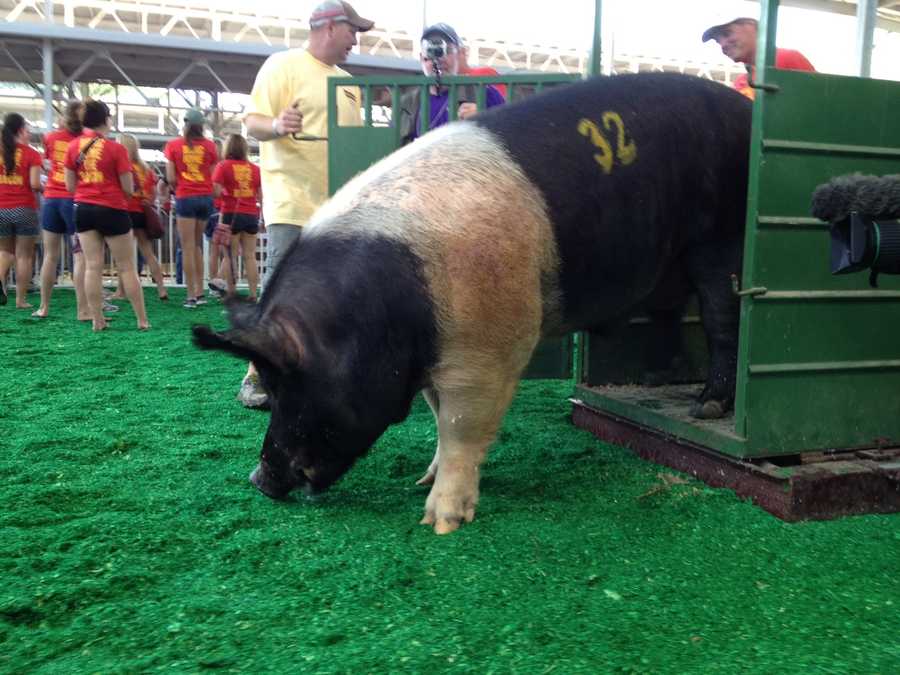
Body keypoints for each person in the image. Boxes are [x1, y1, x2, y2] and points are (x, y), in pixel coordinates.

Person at [235, 0, 373, 408]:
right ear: (329, 27)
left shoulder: (348, 83)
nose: (356, 41)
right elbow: (254, 122)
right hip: (291, 201)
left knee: (336, 294)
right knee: (284, 290)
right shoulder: (282, 65)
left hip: (338, 208)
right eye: (353, 31)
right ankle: (255, 377)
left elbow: (353, 146)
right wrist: (277, 126)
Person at [64, 99, 149, 332]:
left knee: (92, 266)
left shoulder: (73, 147)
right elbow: (129, 188)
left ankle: (97, 319)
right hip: (113, 209)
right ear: (106, 120)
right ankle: (141, 320)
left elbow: (69, 186)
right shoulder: (117, 149)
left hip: (83, 209)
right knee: (127, 267)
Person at [401, 23, 505, 144]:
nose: (439, 57)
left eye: (447, 50)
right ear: (421, 57)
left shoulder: (485, 93)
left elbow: (510, 136)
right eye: (430, 50)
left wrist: (485, 121)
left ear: (459, 54)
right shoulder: (408, 102)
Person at [33, 101, 89, 318]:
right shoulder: (86, 141)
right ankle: (83, 309)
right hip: (73, 200)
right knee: (80, 257)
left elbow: (48, 162)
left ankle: (44, 307)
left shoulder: (50, 138)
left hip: (51, 199)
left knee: (50, 256)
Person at [164, 108, 218, 308]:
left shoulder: (173, 146)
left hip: (185, 197)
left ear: (185, 123)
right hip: (205, 198)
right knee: (196, 244)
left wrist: (177, 185)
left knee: (186, 246)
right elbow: (213, 177)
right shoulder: (210, 147)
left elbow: (169, 177)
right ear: (201, 126)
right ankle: (200, 292)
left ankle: (191, 295)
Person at [702, 17, 815, 99]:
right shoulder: (740, 82)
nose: (723, 45)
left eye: (727, 34)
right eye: (718, 42)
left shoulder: (784, 57)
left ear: (751, 26)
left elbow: (819, 103)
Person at [118, 133, 168, 301]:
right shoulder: (146, 169)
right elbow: (153, 194)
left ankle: (121, 291)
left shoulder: (122, 167)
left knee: (123, 255)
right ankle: (161, 287)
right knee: (148, 252)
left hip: (125, 211)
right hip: (141, 212)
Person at [211, 133, 262, 300]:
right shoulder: (255, 169)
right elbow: (260, 196)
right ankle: (254, 294)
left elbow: (216, 192)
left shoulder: (223, 166)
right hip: (251, 214)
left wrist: (226, 192)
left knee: (230, 256)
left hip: (230, 214)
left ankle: (231, 294)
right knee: (250, 255)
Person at [0, 113, 42, 309]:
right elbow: (34, 184)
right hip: (24, 209)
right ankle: (20, 300)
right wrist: (45, 188)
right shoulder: (31, 153)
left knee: (5, 252)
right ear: (21, 130)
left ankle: (1, 280)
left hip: (1, 208)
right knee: (24, 256)